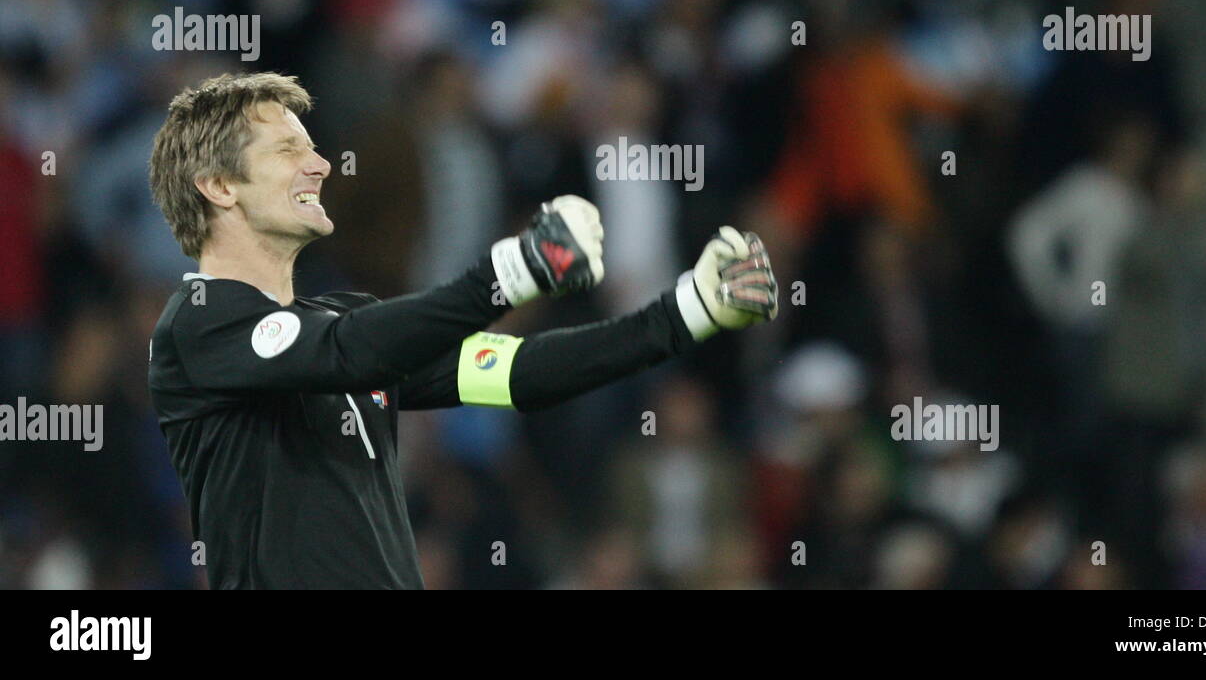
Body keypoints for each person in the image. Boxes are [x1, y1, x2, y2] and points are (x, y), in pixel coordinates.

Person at [145, 71, 777, 588]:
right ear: (219, 185)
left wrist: (685, 311)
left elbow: (515, 371)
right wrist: (512, 271)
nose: (319, 164)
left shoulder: (344, 321)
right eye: (288, 149)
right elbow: (344, 356)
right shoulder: (199, 325)